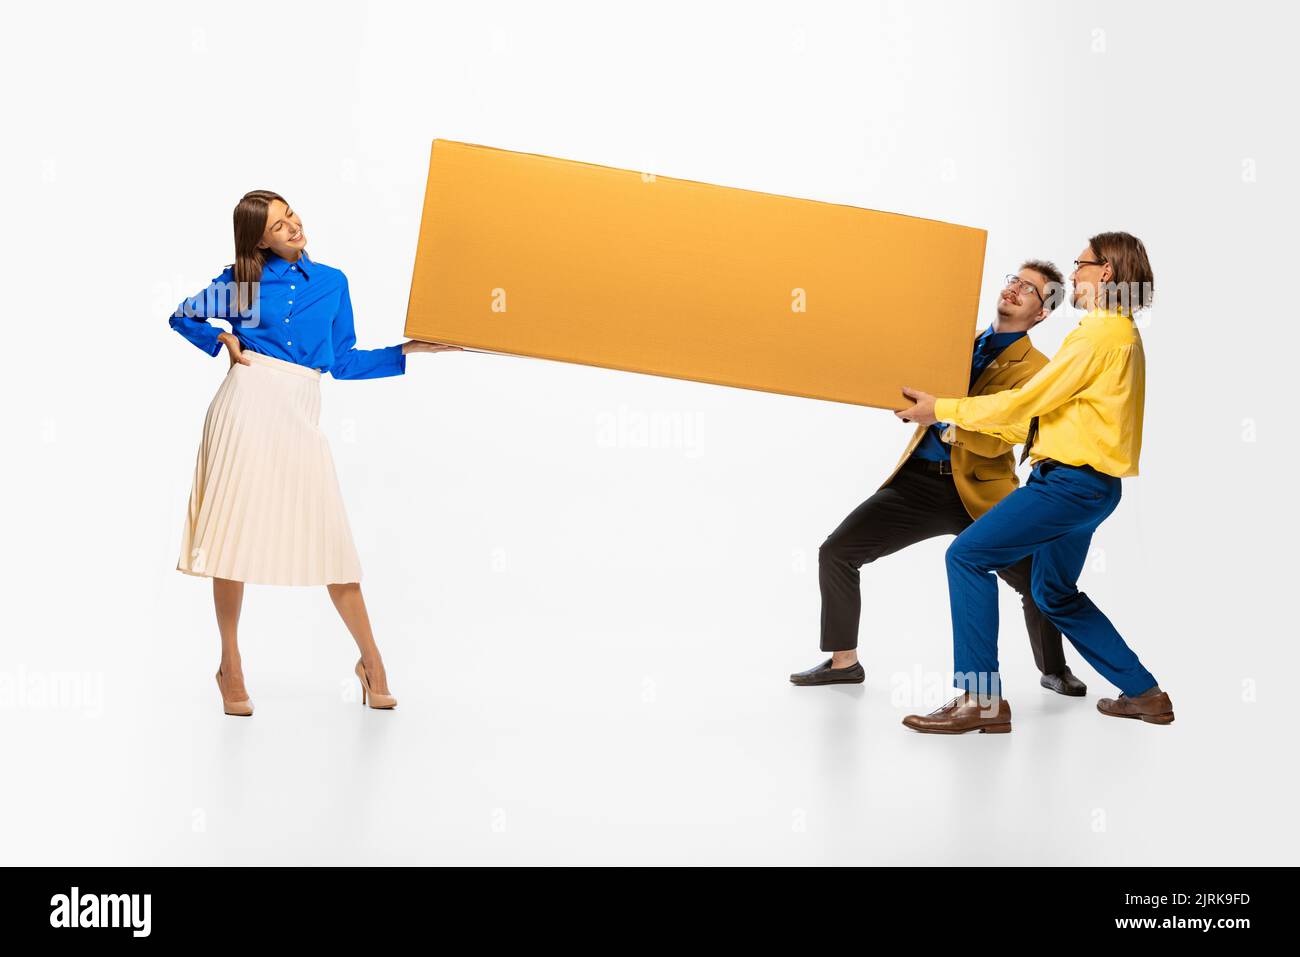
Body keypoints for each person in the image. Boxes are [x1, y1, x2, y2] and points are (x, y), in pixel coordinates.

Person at [169, 190, 459, 716]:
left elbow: (341, 361)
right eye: (278, 225)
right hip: (244, 409)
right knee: (232, 536)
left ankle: (371, 662)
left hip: (300, 411)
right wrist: (223, 342)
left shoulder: (332, 282)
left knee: (332, 541)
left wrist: (407, 351)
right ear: (259, 238)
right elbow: (182, 316)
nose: (293, 227)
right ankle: (230, 664)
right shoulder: (241, 282)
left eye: (292, 215)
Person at [895, 231, 1173, 733]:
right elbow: (1040, 417)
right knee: (1054, 592)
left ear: (1106, 272)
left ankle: (981, 700)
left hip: (1067, 486)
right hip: (1094, 488)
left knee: (967, 556)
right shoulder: (1120, 333)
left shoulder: (1099, 333)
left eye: (1081, 264)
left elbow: (1026, 401)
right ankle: (1145, 694)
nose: (1075, 274)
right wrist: (952, 422)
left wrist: (942, 406)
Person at [792, 261, 1085, 695]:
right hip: (918, 484)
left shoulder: (1037, 369)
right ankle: (844, 662)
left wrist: (945, 419)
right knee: (836, 552)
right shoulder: (955, 344)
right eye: (1014, 281)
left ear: (1042, 313)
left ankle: (1054, 669)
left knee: (1037, 581)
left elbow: (1018, 431)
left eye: (1030, 290)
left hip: (982, 492)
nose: (1015, 290)